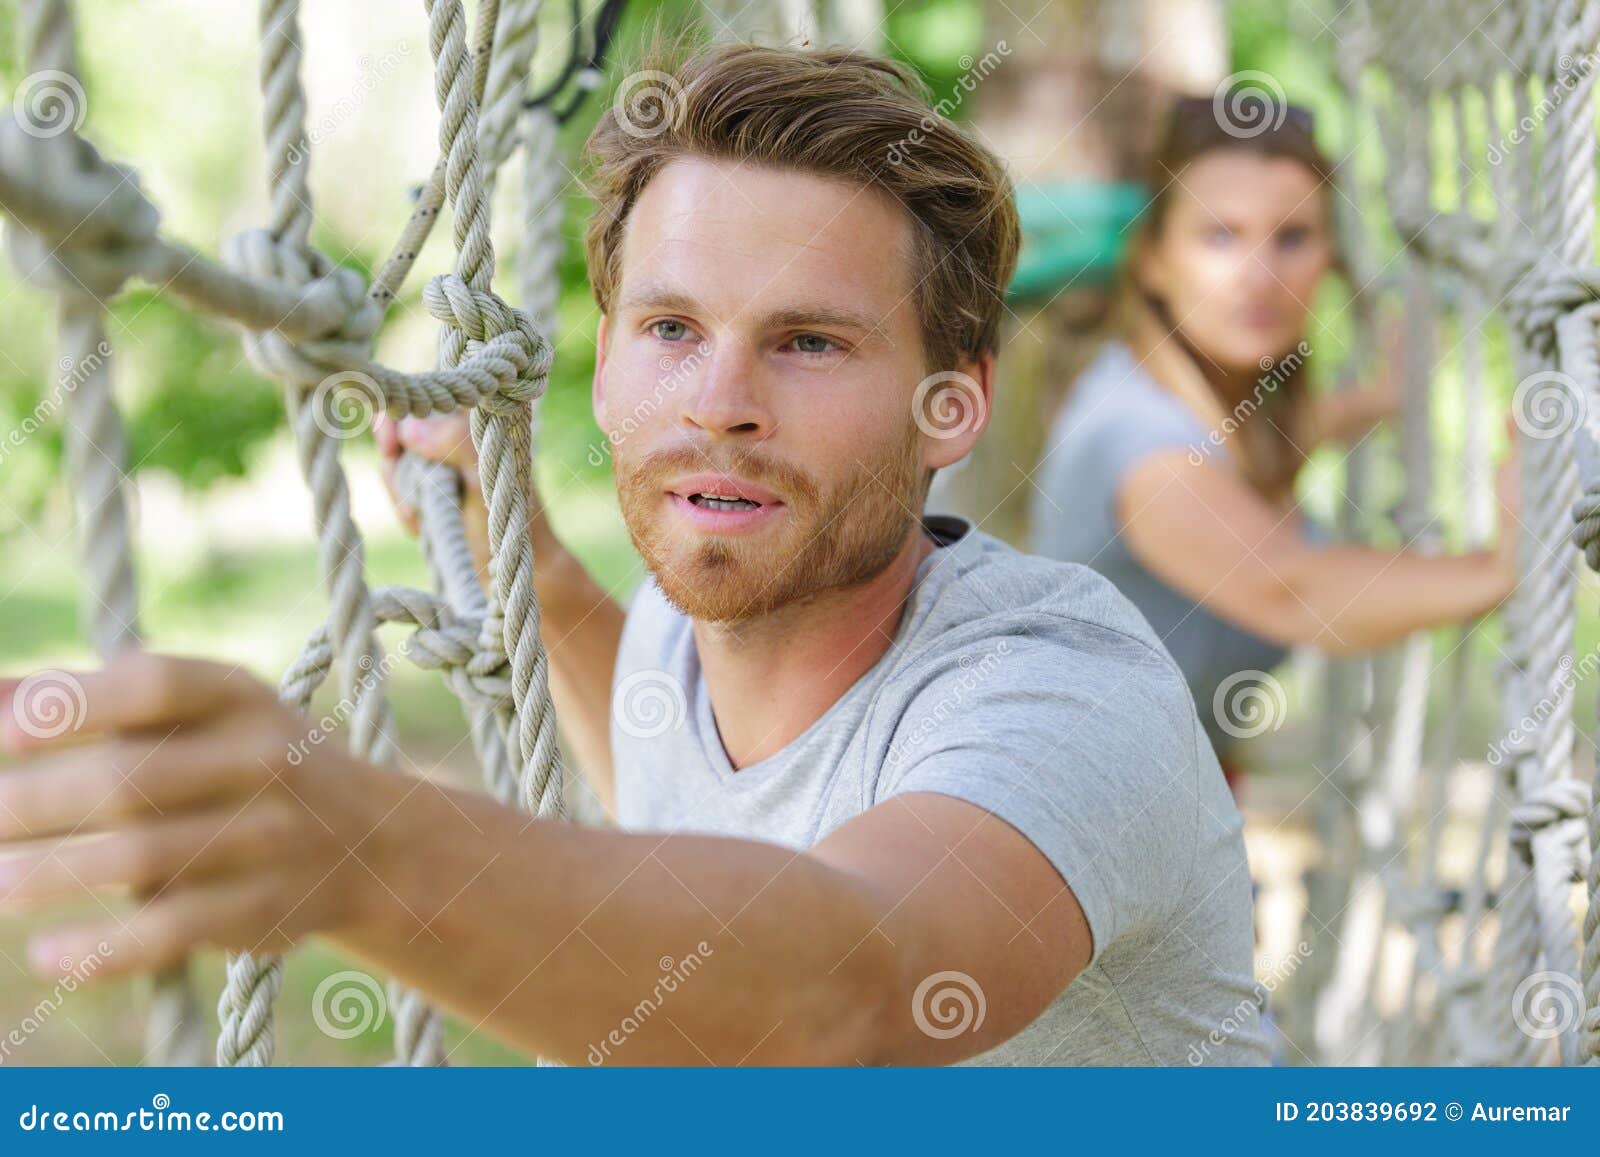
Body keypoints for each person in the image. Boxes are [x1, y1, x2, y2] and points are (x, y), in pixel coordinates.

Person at [0, 40, 1268, 1065]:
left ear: (952, 399)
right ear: (604, 364)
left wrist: (367, 846)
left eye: (810, 342)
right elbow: (652, 730)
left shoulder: (1060, 690)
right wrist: (537, 572)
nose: (718, 401)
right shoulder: (688, 644)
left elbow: (857, 989)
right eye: (670, 327)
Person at [1028, 96, 1518, 786]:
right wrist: (1504, 567)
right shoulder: (1139, 440)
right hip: (1070, 816)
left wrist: (1371, 403)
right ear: (1154, 262)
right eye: (1220, 236)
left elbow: (1262, 452)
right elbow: (1290, 587)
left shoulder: (1208, 406)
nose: (1260, 276)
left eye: (1292, 237)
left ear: (1330, 259)